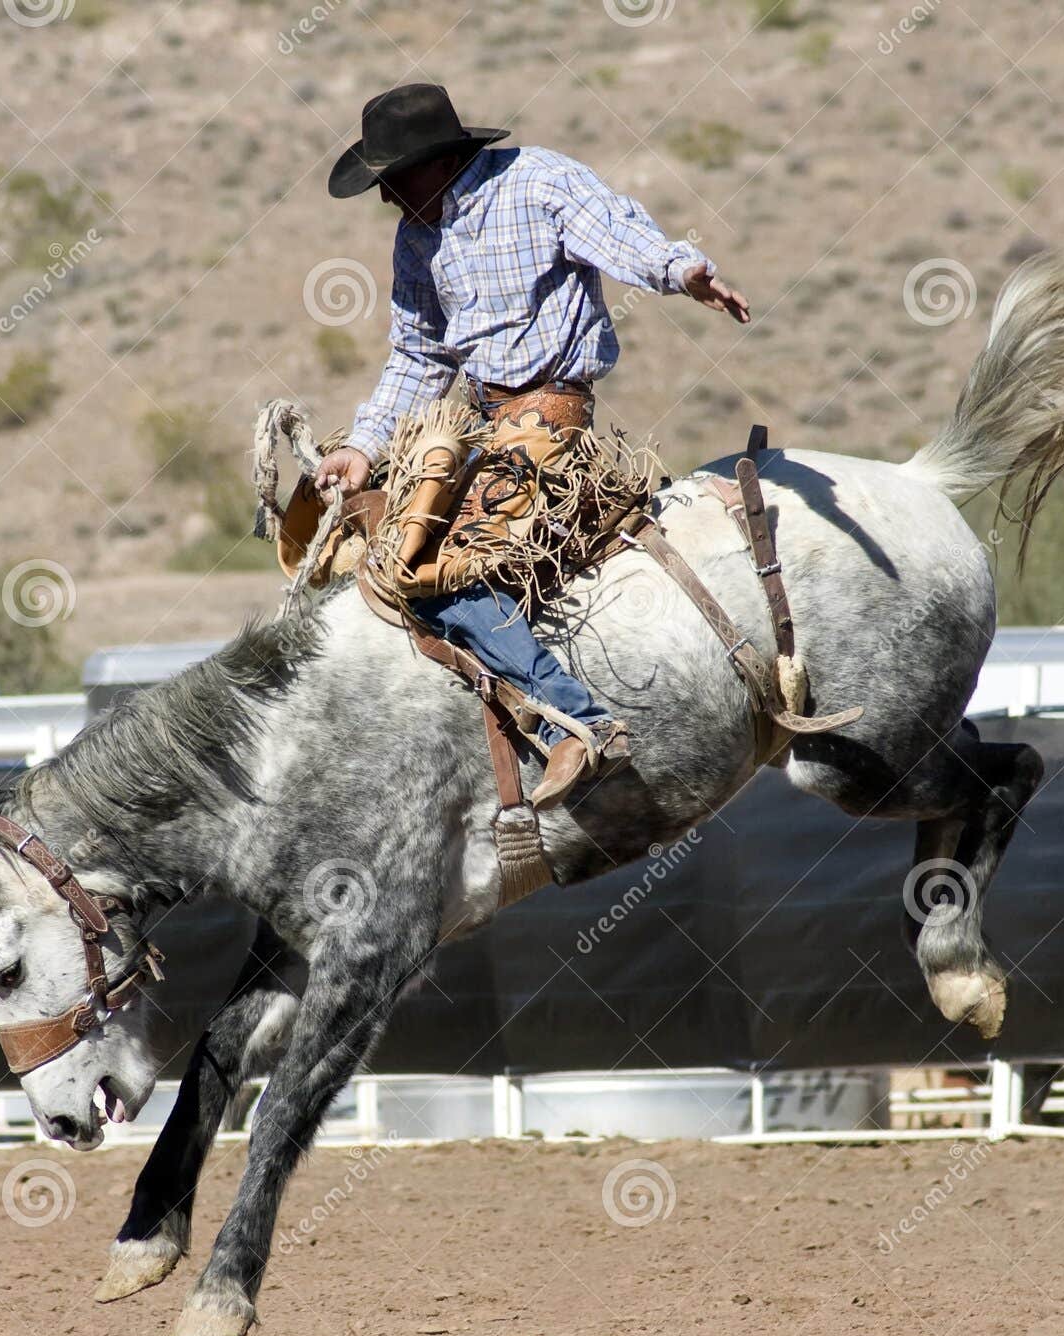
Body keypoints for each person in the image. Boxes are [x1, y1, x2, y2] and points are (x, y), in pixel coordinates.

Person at [316, 82, 750, 810]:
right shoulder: (416, 237)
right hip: (474, 427)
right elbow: (419, 358)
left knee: (436, 569)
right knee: (361, 555)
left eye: (390, 180)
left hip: (547, 424)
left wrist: (682, 271)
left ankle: (578, 723)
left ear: (434, 161)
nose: (386, 199)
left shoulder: (539, 180)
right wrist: (363, 447)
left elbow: (621, 236)